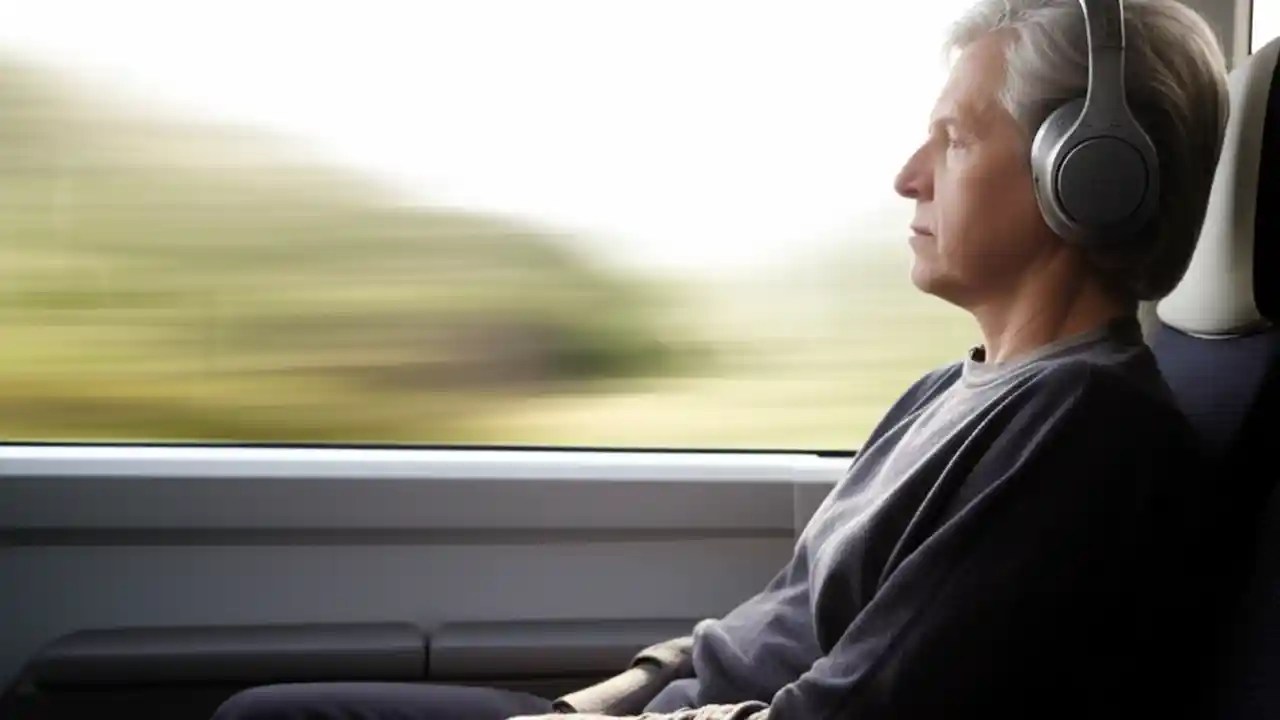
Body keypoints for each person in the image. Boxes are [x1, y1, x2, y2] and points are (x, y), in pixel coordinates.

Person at [210, 1, 1230, 718]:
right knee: (272, 708)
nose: (906, 176)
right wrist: (585, 707)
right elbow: (763, 628)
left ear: (1087, 177)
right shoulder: (946, 392)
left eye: (954, 140)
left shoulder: (1085, 436)